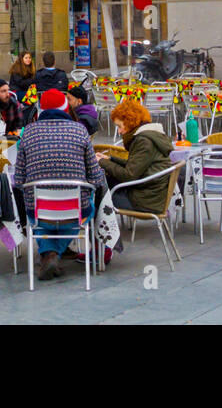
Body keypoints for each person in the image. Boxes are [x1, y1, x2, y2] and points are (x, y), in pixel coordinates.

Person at [12, 88, 107, 280]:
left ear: (40, 111)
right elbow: (96, 179)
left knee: (40, 213)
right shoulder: (80, 131)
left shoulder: (28, 133)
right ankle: (54, 253)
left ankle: (49, 254)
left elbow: (19, 180)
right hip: (74, 209)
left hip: (39, 210)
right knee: (86, 205)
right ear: (65, 109)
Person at [96, 99, 172, 214]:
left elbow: (129, 175)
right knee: (103, 183)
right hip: (151, 194)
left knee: (97, 193)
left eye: (119, 126)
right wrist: (110, 159)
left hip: (145, 201)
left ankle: (98, 229)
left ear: (130, 122)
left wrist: (102, 162)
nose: (119, 131)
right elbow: (136, 166)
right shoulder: (150, 136)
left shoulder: (143, 141)